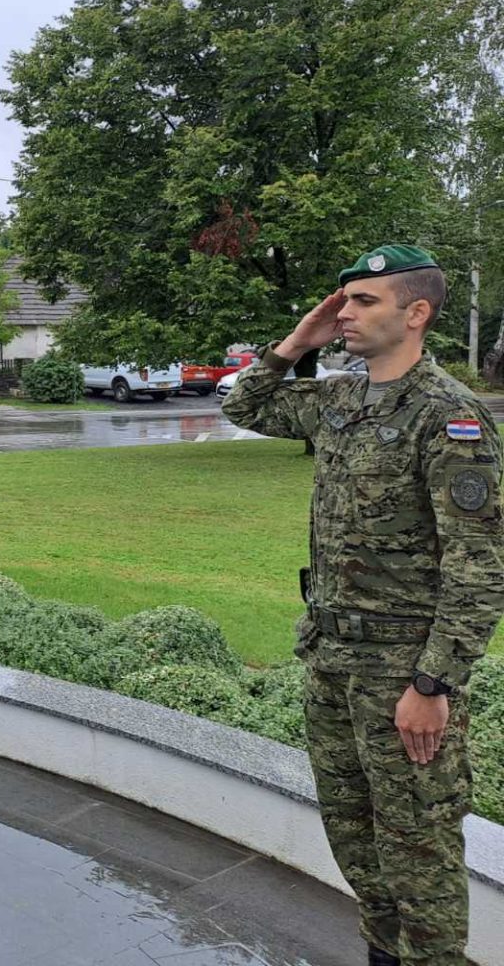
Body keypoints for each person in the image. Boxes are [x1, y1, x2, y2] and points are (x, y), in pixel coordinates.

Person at [222, 245, 504, 966]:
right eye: (341, 301)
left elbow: (479, 566)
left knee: (421, 857)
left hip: (401, 676)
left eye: (364, 301)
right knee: (356, 846)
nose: (345, 312)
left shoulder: (451, 416)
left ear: (416, 314)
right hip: (331, 660)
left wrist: (432, 684)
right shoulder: (342, 398)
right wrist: (296, 343)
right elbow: (241, 404)